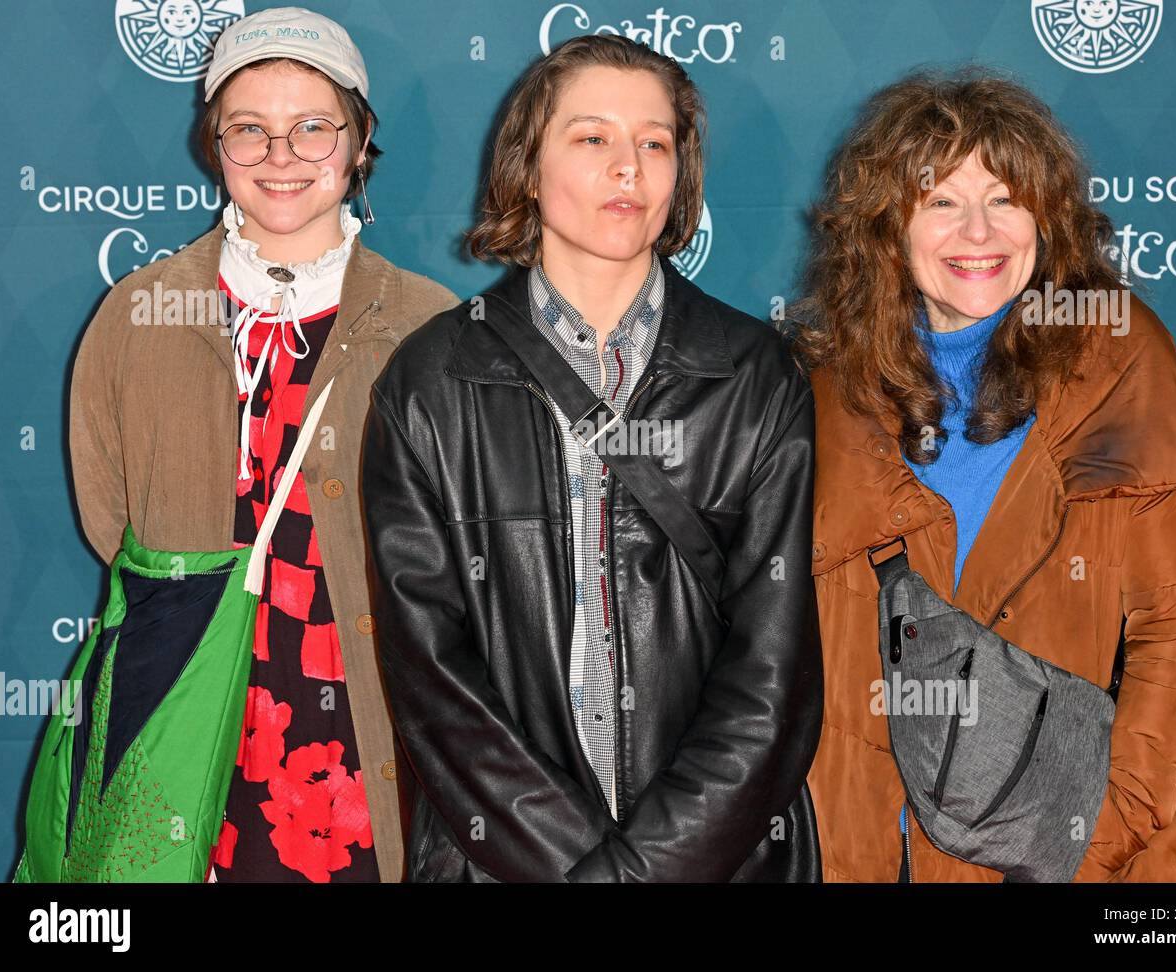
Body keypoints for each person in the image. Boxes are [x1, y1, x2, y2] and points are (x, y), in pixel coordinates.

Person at [361, 34, 822, 882]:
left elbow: (774, 676)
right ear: (526, 167)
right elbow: (432, 678)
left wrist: (646, 870)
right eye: (592, 138)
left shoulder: (754, 373)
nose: (629, 168)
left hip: (721, 864)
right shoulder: (430, 381)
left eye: (655, 142)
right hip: (501, 866)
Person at [794, 68, 1176, 882]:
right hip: (865, 852)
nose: (979, 231)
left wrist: (1093, 837)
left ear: (1046, 218)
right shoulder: (823, 389)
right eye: (941, 202)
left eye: (1005, 198)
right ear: (889, 228)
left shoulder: (1117, 358)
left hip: (1075, 857)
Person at [67, 6, 457, 882]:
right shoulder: (139, 316)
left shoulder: (430, 327)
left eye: (312, 128)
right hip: (185, 734)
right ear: (215, 146)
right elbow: (114, 517)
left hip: (373, 743)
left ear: (358, 145)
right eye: (250, 131)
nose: (281, 158)